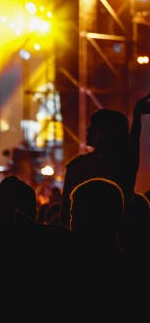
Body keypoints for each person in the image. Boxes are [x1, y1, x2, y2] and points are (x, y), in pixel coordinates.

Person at [60, 94, 150, 227]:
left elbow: (65, 213)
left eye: (95, 127)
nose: (88, 130)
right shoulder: (124, 164)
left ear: (109, 133)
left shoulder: (77, 166)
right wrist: (137, 116)